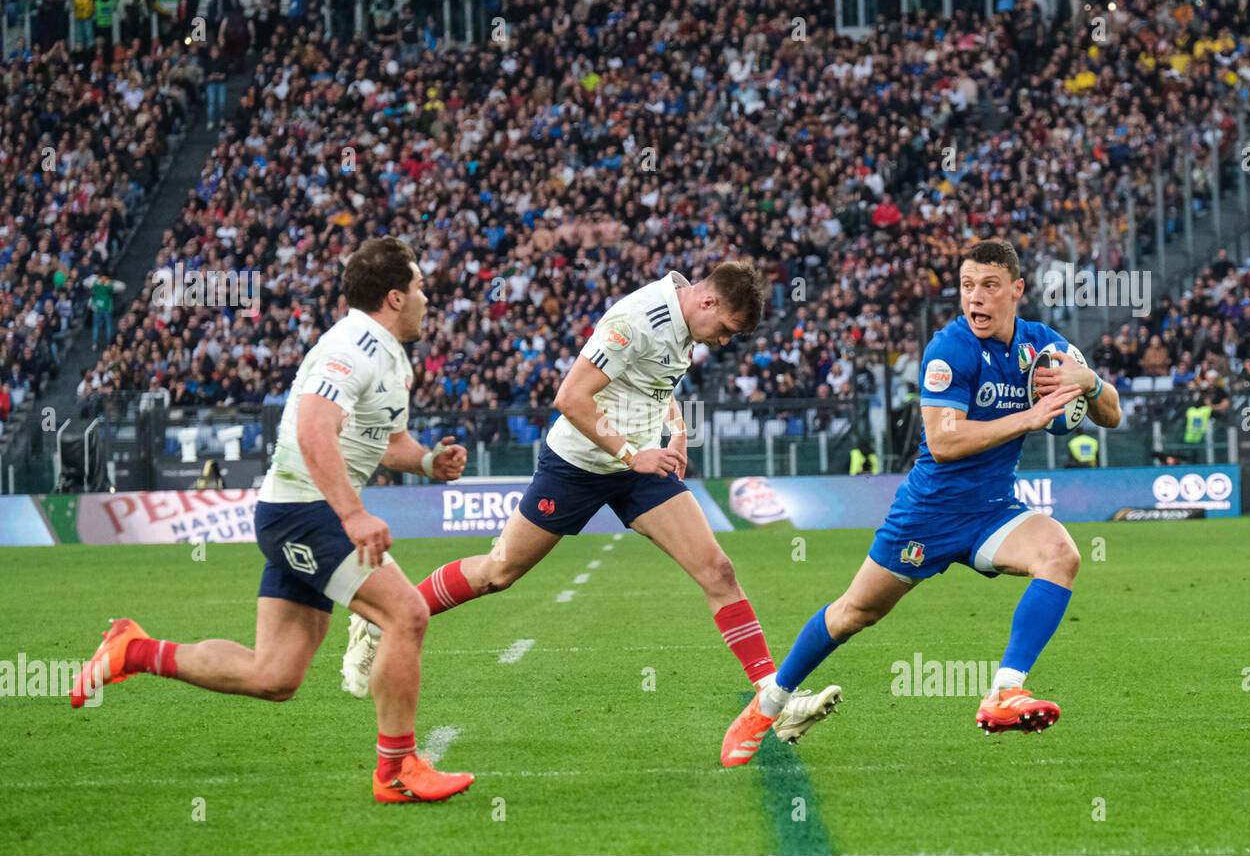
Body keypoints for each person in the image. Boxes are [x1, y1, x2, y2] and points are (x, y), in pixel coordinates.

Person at [342, 263, 842, 750]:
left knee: (718, 570)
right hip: (579, 463)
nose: (723, 341)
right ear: (708, 301)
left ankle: (772, 700)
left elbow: (660, 383)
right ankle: (385, 614)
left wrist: (678, 433)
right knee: (499, 572)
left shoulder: (690, 317)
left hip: (640, 469)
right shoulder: (638, 318)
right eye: (726, 330)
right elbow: (571, 397)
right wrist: (631, 453)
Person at [71, 238, 476, 804]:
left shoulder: (389, 355)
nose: (427, 297)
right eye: (420, 286)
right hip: (304, 513)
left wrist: (430, 460)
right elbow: (314, 429)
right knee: (406, 614)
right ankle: (397, 770)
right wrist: (354, 514)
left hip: (300, 513)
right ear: (393, 296)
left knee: (274, 676)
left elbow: (387, 443)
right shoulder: (353, 346)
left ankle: (132, 650)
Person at [720, 240, 1123, 766]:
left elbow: (1112, 415)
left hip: (992, 512)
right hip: (926, 517)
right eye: (966, 286)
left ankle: (1004, 690)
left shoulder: (1043, 348)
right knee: (852, 614)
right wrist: (1027, 418)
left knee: (1060, 554)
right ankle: (768, 705)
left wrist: (1090, 383)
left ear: (1017, 291)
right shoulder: (948, 349)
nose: (975, 298)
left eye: (989, 286)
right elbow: (944, 442)